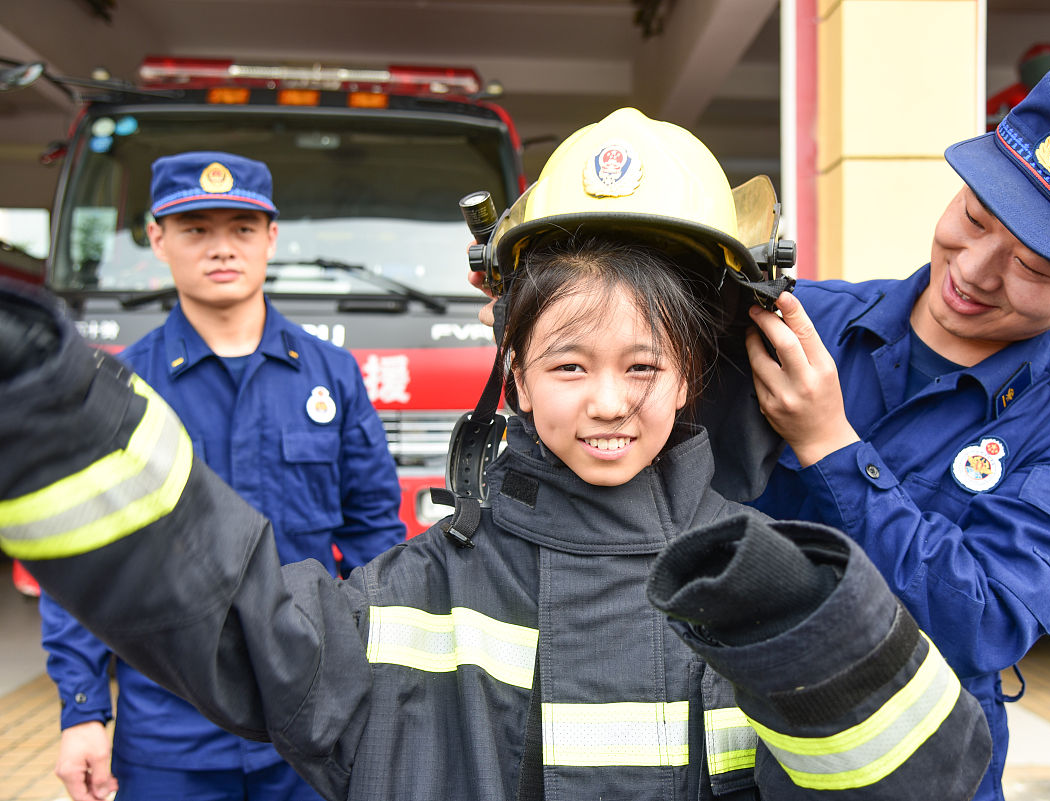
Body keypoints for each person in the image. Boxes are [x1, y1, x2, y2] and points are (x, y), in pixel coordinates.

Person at [0, 109, 992, 800]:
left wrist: (817, 636)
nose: (607, 403)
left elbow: (932, 778)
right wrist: (51, 411)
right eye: (568, 363)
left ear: (693, 373)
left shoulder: (784, 584)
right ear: (512, 370)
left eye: (643, 365)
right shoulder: (412, 598)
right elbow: (217, 608)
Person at [744, 60, 1050, 801]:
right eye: (977, 216)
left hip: (911, 775)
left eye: (1036, 264)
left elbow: (980, 622)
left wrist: (831, 445)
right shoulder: (798, 322)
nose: (976, 270)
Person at [38, 151, 407, 801]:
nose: (221, 248)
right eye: (196, 229)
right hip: (170, 733)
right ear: (157, 238)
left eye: (241, 228)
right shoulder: (121, 389)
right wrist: (82, 710)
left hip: (312, 720)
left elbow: (379, 543)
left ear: (271, 236)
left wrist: (402, 688)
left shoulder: (331, 376)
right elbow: (80, 562)